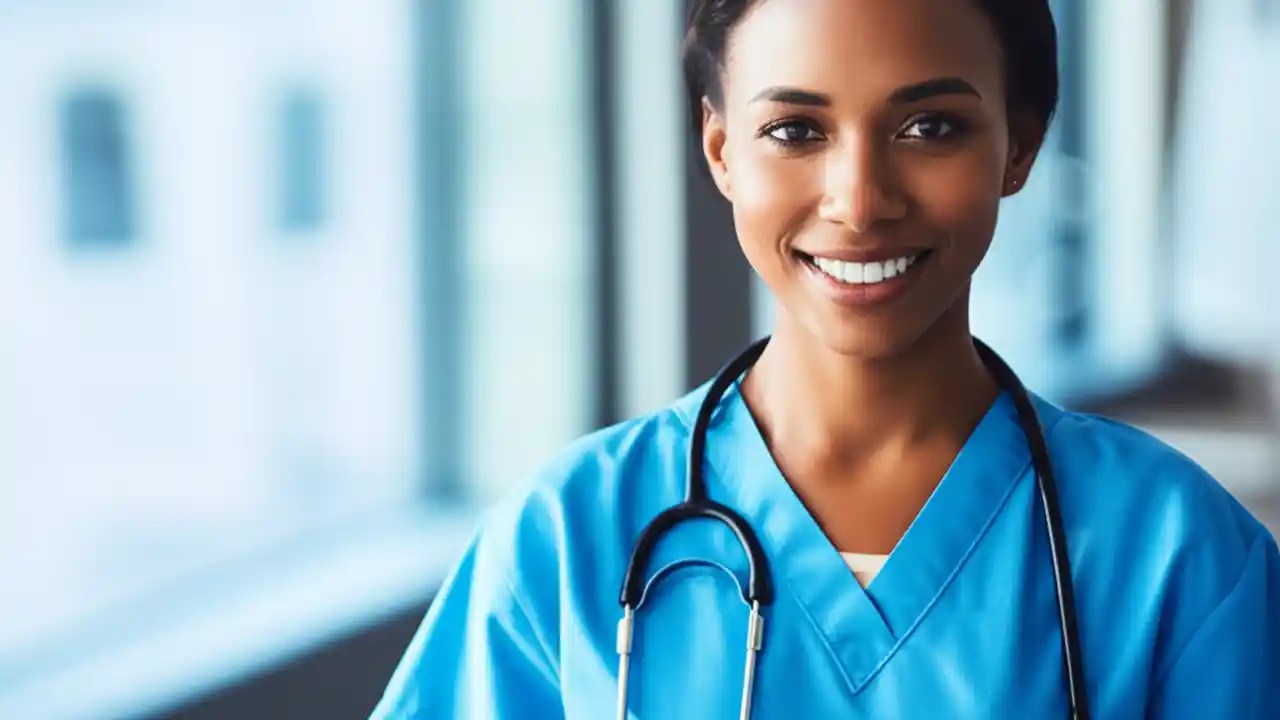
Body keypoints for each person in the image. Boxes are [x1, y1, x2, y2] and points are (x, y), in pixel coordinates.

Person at [371, 0, 1280, 716]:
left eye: (929, 127)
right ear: (721, 148)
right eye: (796, 131)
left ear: (1021, 144)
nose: (859, 200)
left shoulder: (1179, 556)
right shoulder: (566, 540)